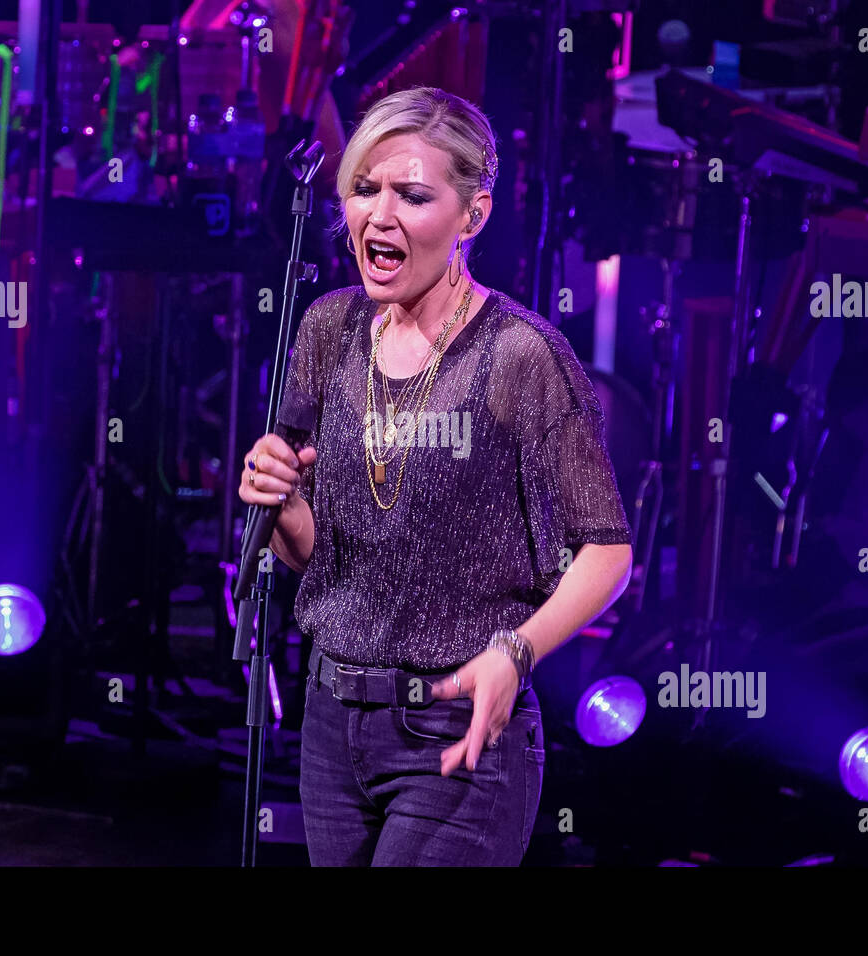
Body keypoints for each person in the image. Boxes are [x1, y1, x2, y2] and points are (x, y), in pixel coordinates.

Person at [238, 87, 633, 866]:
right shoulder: (328, 328)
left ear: (472, 216)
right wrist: (280, 496)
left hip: (456, 732)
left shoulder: (521, 355)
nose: (379, 216)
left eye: (412, 196)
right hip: (330, 720)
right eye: (364, 189)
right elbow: (324, 558)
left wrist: (515, 653)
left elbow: (608, 553)